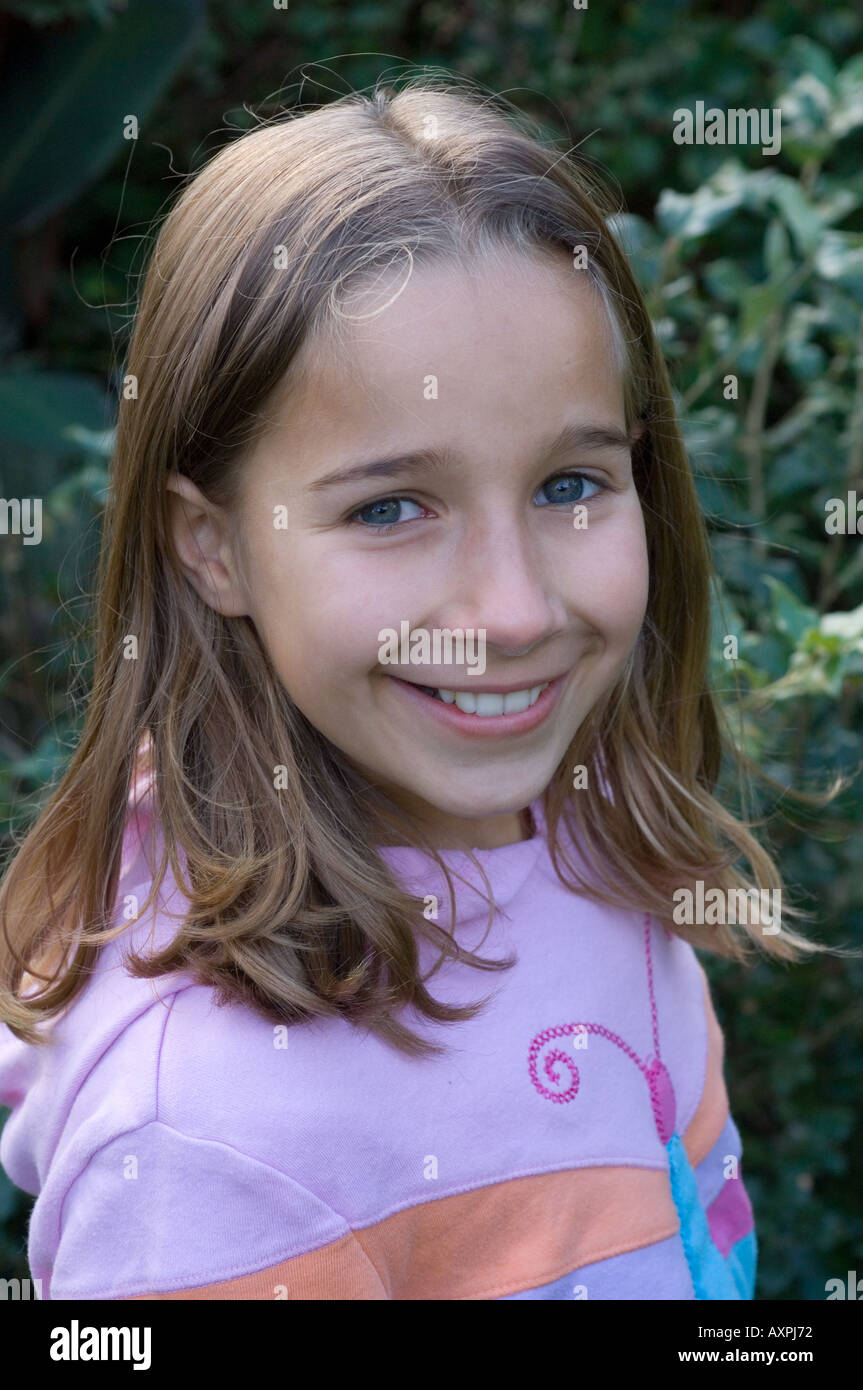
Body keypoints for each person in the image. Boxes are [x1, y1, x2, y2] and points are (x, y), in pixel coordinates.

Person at [0, 76, 837, 1300]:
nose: (511, 612)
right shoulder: (202, 1146)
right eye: (391, 508)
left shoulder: (584, 834)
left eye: (568, 486)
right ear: (212, 546)